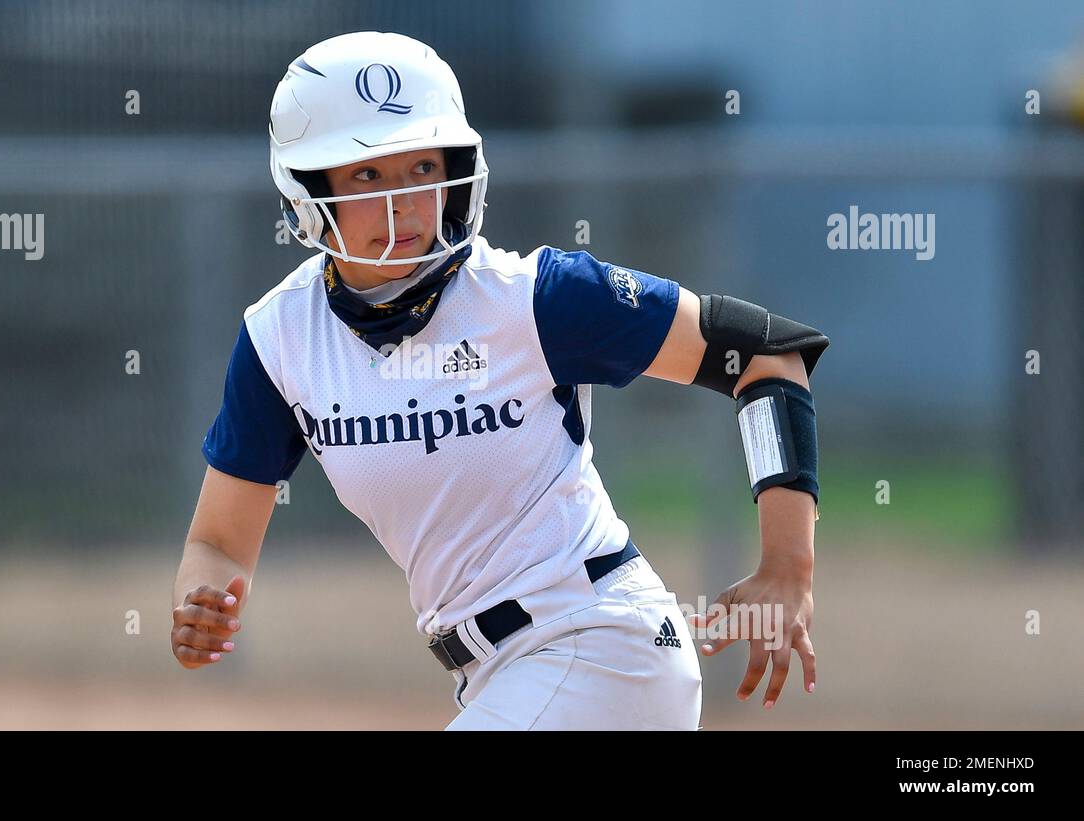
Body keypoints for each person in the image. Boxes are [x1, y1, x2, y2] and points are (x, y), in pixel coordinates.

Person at [171, 31, 829, 730]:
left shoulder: (533, 299)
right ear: (308, 192)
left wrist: (789, 563)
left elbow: (767, 357)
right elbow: (217, 541)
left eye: (423, 166)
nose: (405, 205)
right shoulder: (281, 340)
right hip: (497, 675)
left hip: (604, 648)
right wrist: (200, 602)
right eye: (367, 176)